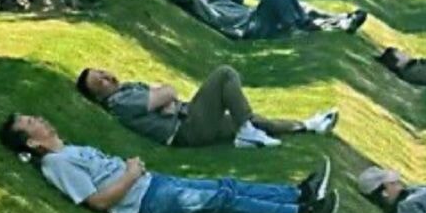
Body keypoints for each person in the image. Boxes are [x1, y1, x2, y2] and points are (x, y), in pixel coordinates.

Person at [0, 115, 339, 213]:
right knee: (222, 199)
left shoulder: (66, 150)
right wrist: (131, 174)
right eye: (30, 122)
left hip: (150, 183)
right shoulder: (56, 164)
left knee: (225, 185)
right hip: (143, 200)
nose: (38, 119)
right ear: (31, 142)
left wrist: (134, 172)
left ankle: (297, 194)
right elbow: (98, 202)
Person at [76, 64, 340, 149]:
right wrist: (166, 98)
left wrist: (166, 100)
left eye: (102, 72)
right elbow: (168, 92)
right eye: (100, 82)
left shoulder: (127, 89)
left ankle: (309, 126)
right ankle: (246, 132)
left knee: (251, 118)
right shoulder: (120, 102)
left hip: (184, 116)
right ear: (99, 96)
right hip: (186, 128)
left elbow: (164, 95)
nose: (106, 77)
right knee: (224, 75)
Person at [169, 0, 367, 40]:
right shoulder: (210, 10)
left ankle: (342, 20)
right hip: (251, 26)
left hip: (256, 17)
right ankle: (296, 26)